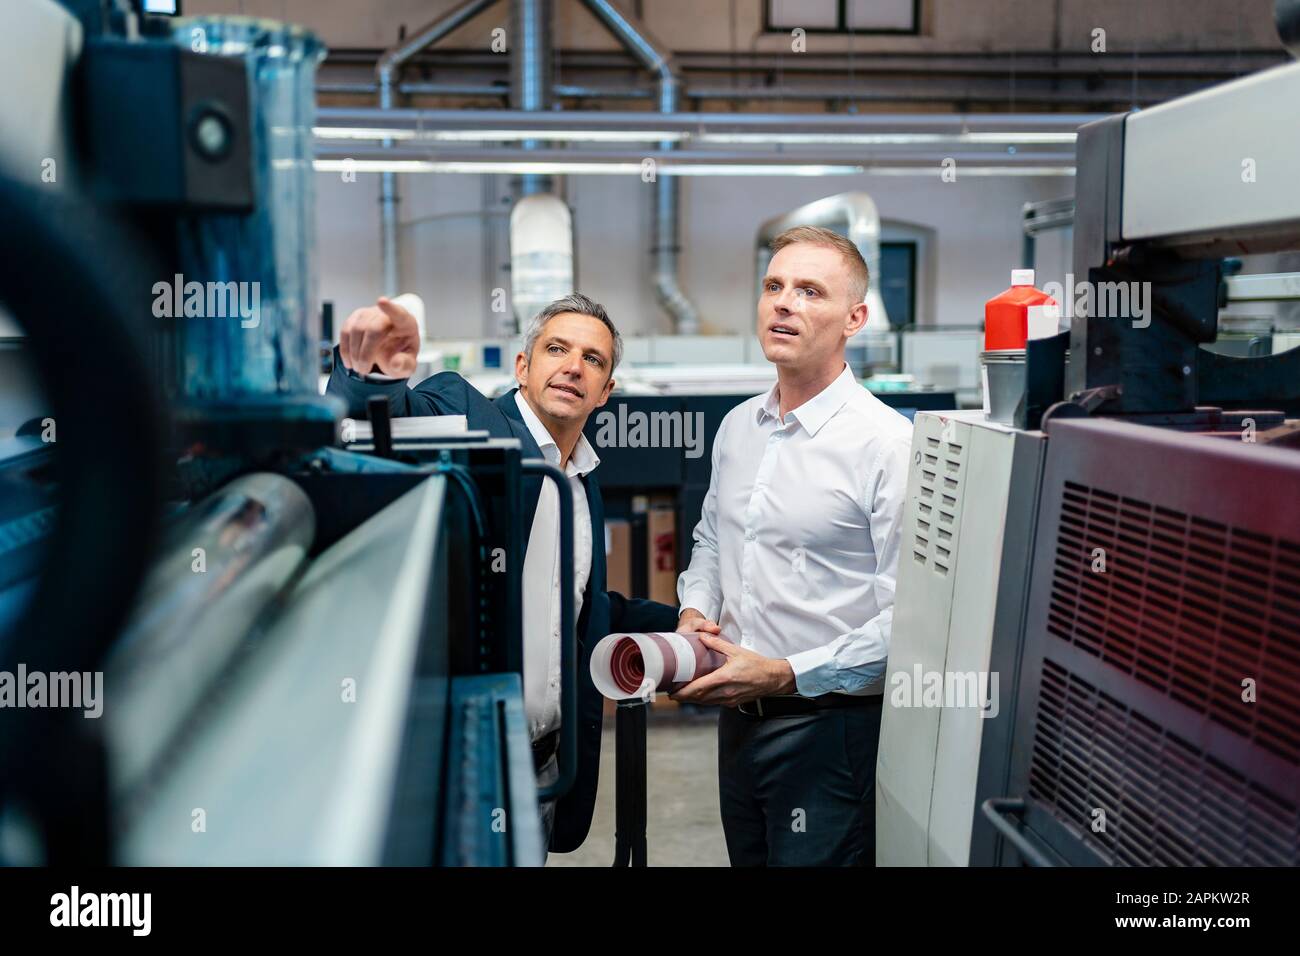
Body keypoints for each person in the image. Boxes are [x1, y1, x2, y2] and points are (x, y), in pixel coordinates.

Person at [327, 292, 677, 853]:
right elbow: (396, 420)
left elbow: (579, 606)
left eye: (593, 359)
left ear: (607, 391)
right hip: (464, 771)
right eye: (557, 349)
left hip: (542, 773)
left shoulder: (581, 479)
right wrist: (373, 377)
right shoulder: (472, 418)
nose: (573, 366)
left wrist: (684, 623)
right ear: (523, 366)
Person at [672, 226, 912, 866]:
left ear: (855, 318)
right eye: (774, 286)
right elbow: (711, 541)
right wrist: (697, 607)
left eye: (810, 291)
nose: (783, 303)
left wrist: (786, 673)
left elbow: (912, 622)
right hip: (738, 724)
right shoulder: (738, 427)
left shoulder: (887, 445)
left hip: (831, 731)